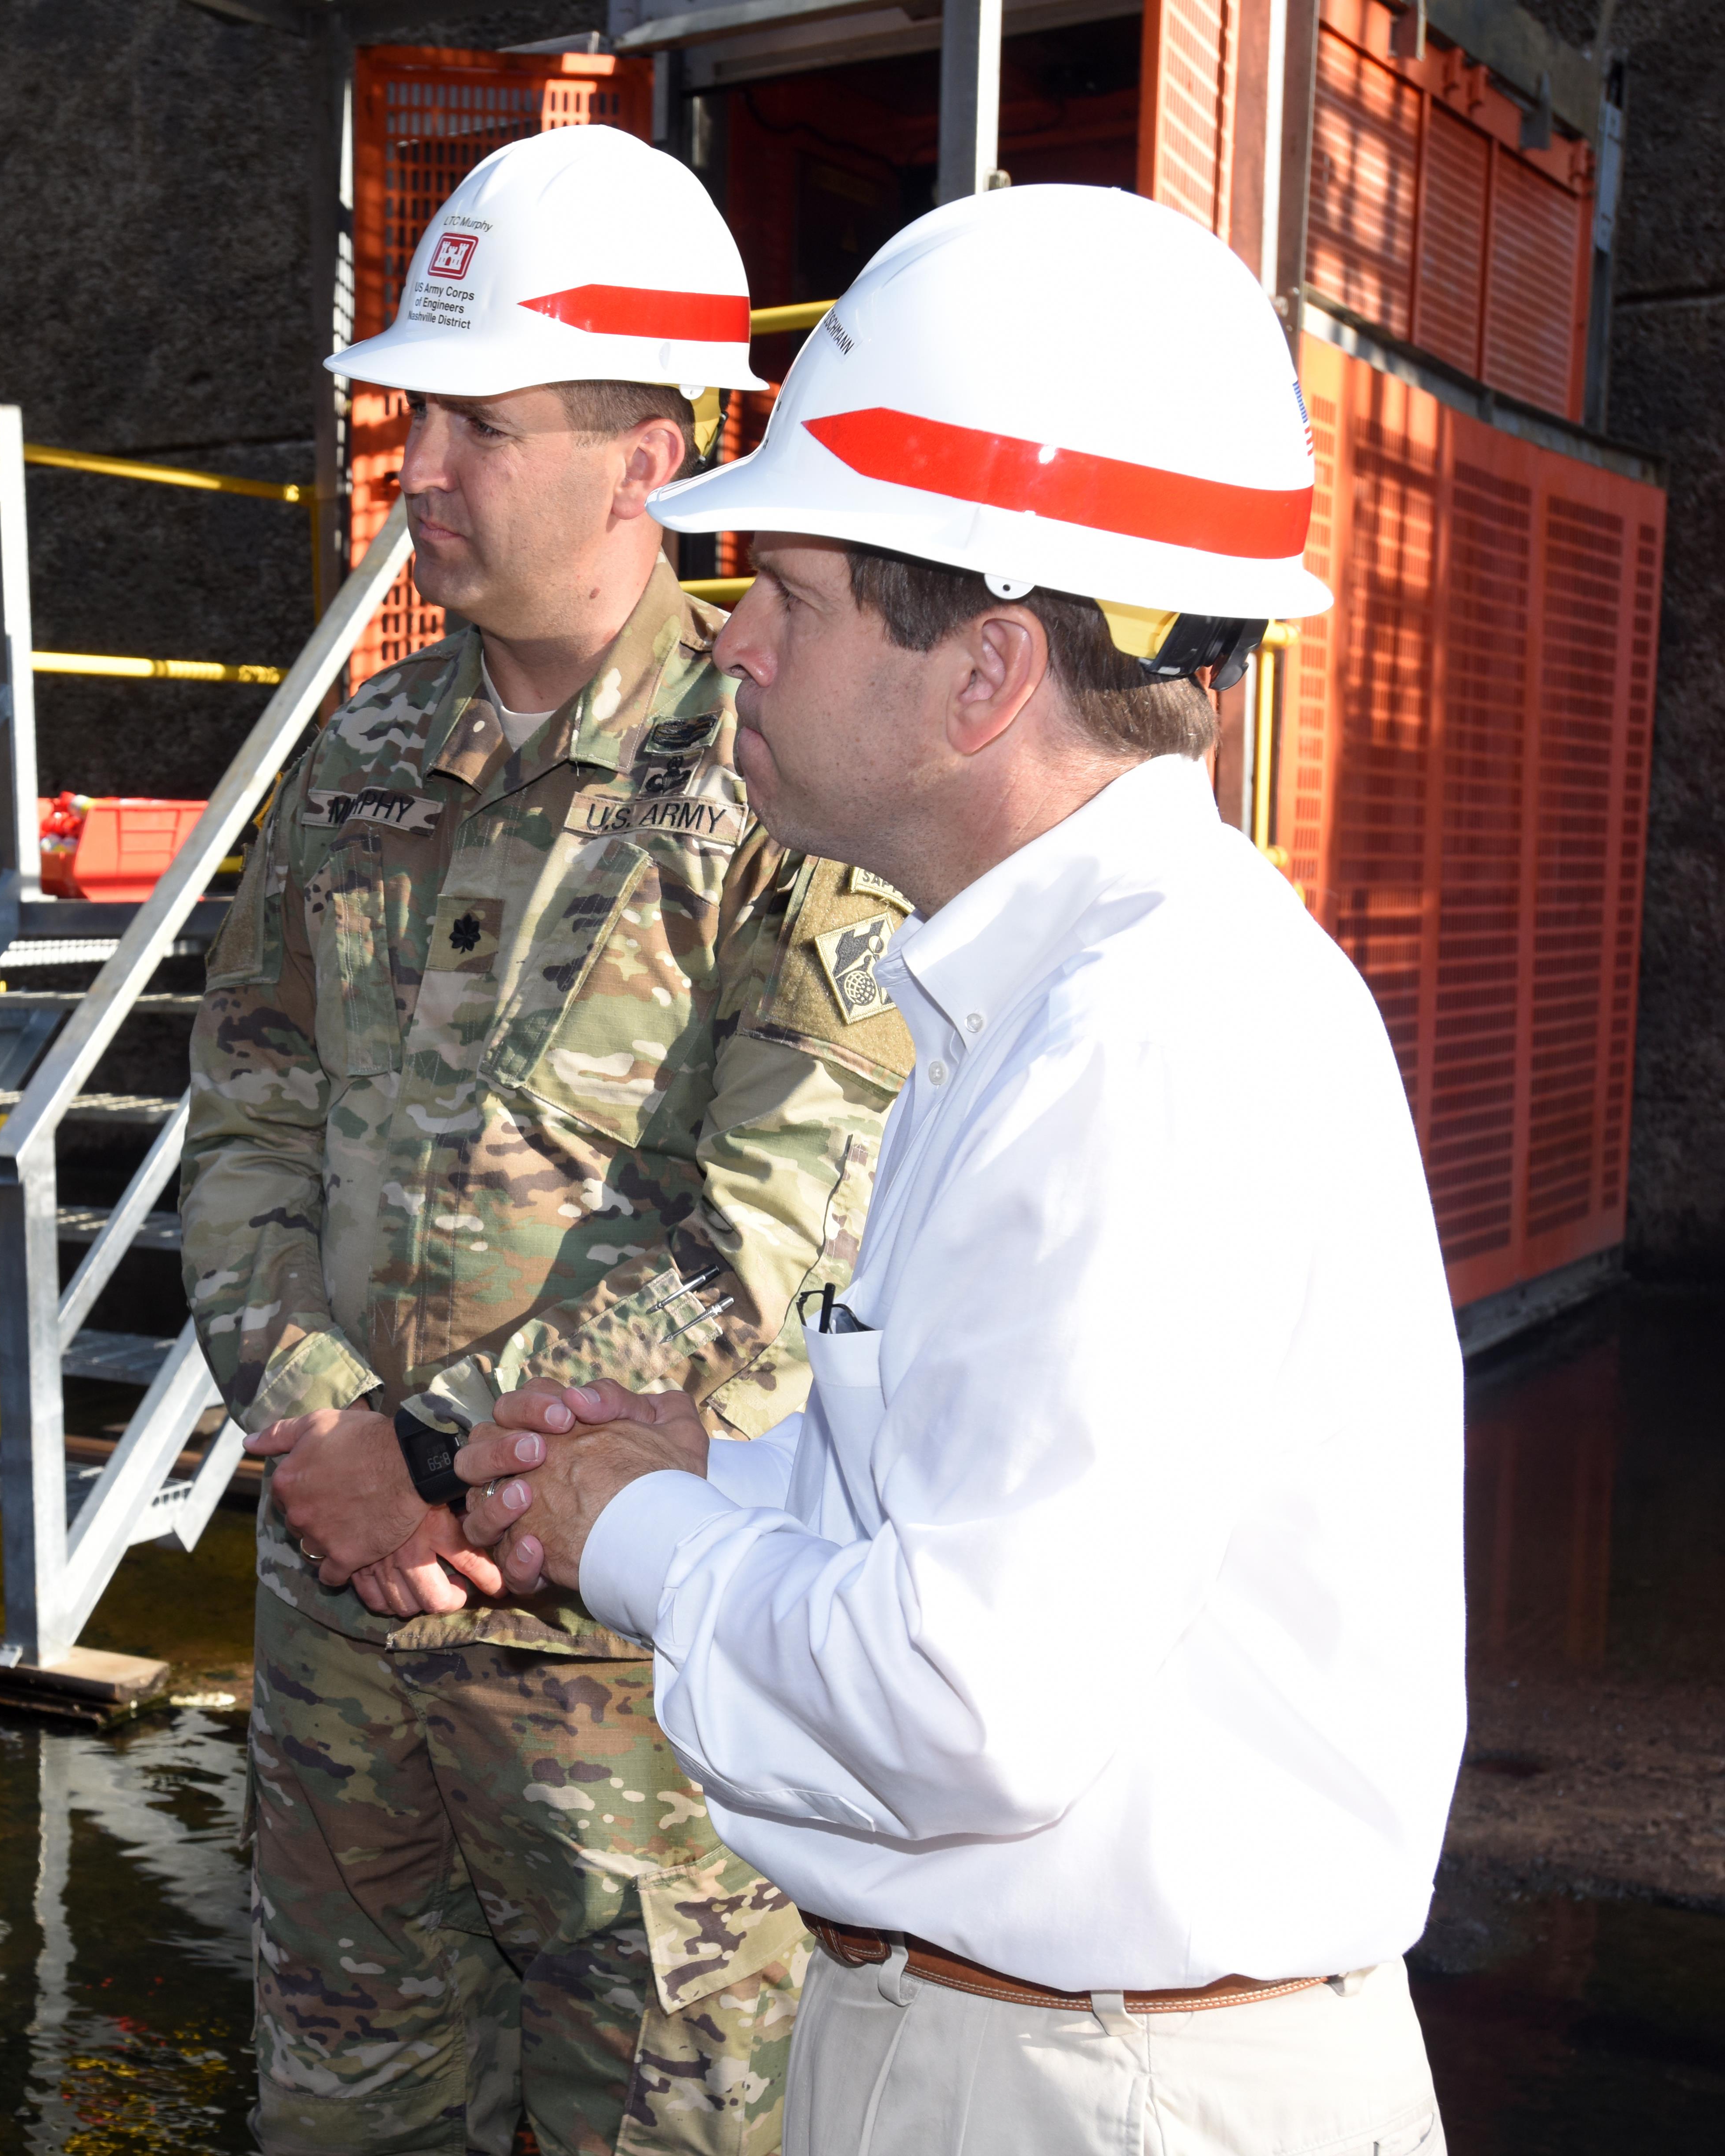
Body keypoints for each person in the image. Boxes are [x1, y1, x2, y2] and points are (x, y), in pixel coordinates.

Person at [453, 184, 1461, 2154]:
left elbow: (961, 1700)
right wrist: (699, 1474)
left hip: (1105, 2084)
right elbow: (980, 1515)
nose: (727, 641)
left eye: (791, 595)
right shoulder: (1049, 995)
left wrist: (620, 1525)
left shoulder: (1140, 1044)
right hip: (1025, 2046)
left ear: (985, 672)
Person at [183, 127, 913, 2155]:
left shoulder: (786, 772)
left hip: (636, 1678)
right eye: (416, 415)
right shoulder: (361, 750)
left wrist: (412, 1463)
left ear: (643, 458)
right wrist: (321, 1428)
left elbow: (769, 1233)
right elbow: (240, 1112)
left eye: (474, 423)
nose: (415, 466)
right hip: (345, 1653)